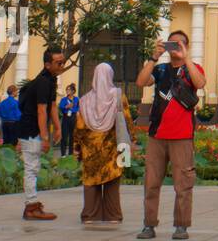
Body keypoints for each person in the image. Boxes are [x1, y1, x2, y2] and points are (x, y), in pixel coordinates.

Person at [136, 30, 205, 240]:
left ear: (187, 46)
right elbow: (141, 82)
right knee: (151, 182)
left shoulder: (192, 69)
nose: (175, 47)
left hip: (182, 136)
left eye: (180, 44)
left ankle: (181, 226)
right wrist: (153, 57)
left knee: (183, 184)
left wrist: (187, 59)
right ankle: (149, 224)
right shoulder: (161, 69)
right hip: (157, 135)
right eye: (172, 44)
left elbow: (200, 83)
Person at [76, 62, 132, 225]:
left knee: (91, 181)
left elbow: (79, 127)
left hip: (91, 149)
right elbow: (126, 120)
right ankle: (112, 215)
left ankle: (90, 215)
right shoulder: (118, 95)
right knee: (112, 180)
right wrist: (133, 140)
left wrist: (77, 146)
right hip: (113, 147)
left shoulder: (84, 100)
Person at [17, 47, 68, 221]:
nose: (62, 65)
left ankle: (32, 205)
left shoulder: (51, 80)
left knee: (34, 167)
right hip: (30, 129)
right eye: (58, 62)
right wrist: (44, 137)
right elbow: (41, 110)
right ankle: (31, 207)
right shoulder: (43, 82)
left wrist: (58, 127)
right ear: (47, 64)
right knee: (31, 168)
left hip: (33, 129)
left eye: (63, 61)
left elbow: (52, 106)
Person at [58, 84, 80, 156]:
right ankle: (63, 154)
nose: (67, 91)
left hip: (73, 118)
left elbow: (78, 108)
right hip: (66, 118)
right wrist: (67, 106)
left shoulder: (76, 99)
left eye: (69, 90)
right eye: (66, 89)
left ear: (73, 91)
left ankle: (70, 154)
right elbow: (61, 107)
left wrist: (76, 112)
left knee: (72, 137)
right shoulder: (64, 99)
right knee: (64, 136)